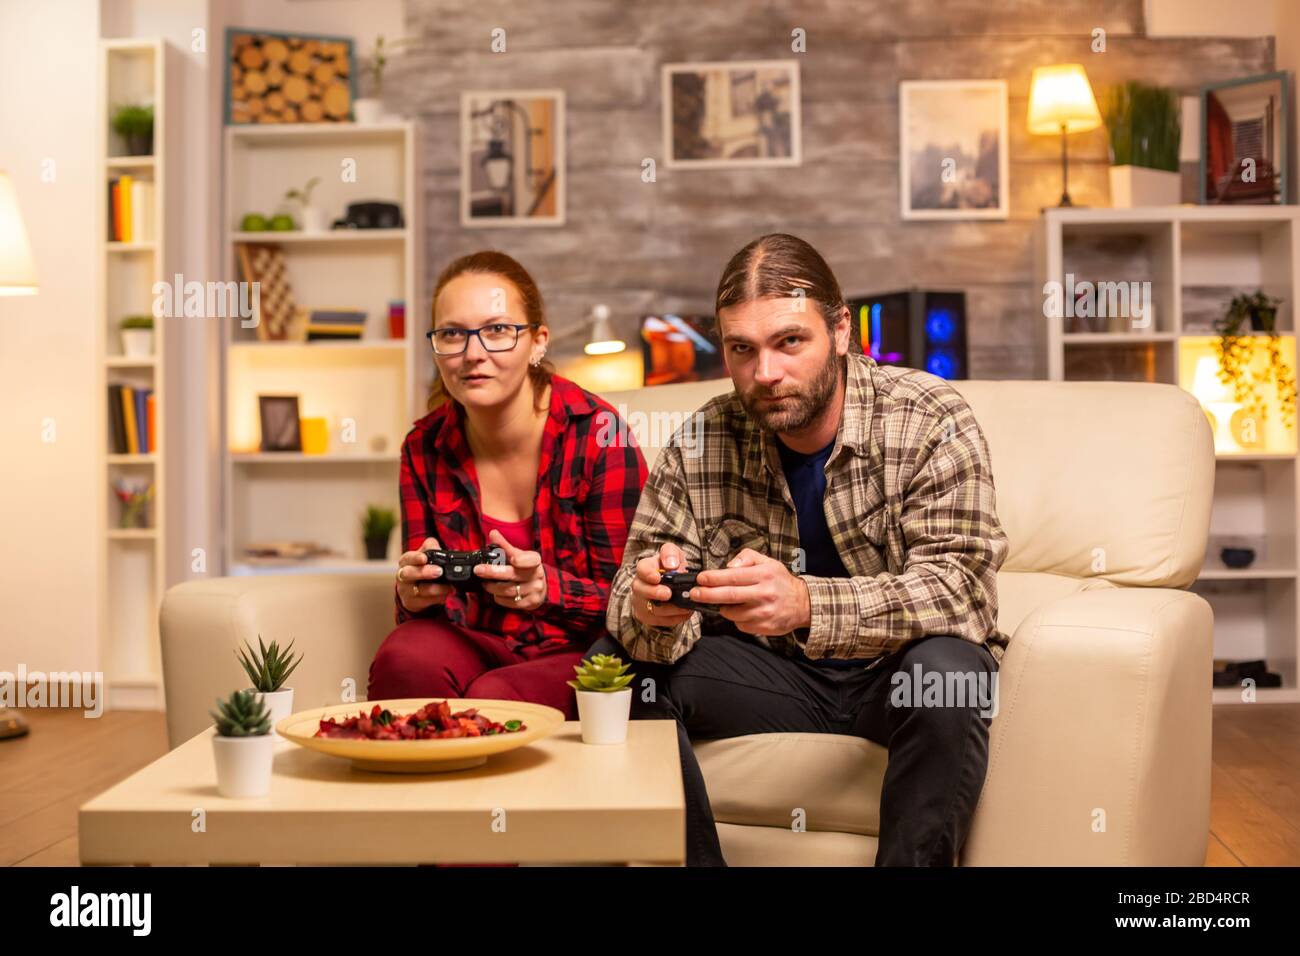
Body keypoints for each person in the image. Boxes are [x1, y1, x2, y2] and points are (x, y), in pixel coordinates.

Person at [591, 233, 1010, 866]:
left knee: (949, 674)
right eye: (742, 350)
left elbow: (963, 593)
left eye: (790, 341)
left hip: (892, 678)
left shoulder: (929, 416)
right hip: (774, 678)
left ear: (841, 330)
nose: (765, 374)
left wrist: (806, 602)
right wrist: (651, 609)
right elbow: (630, 593)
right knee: (615, 668)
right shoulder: (701, 439)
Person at [368, 250, 647, 718]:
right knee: (406, 659)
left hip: (586, 647)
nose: (473, 353)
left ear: (537, 342)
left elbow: (637, 604)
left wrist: (546, 589)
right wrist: (413, 593)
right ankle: (409, 790)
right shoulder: (423, 446)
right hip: (479, 638)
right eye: (452, 334)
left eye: (498, 330)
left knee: (493, 698)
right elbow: (422, 608)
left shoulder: (600, 434)